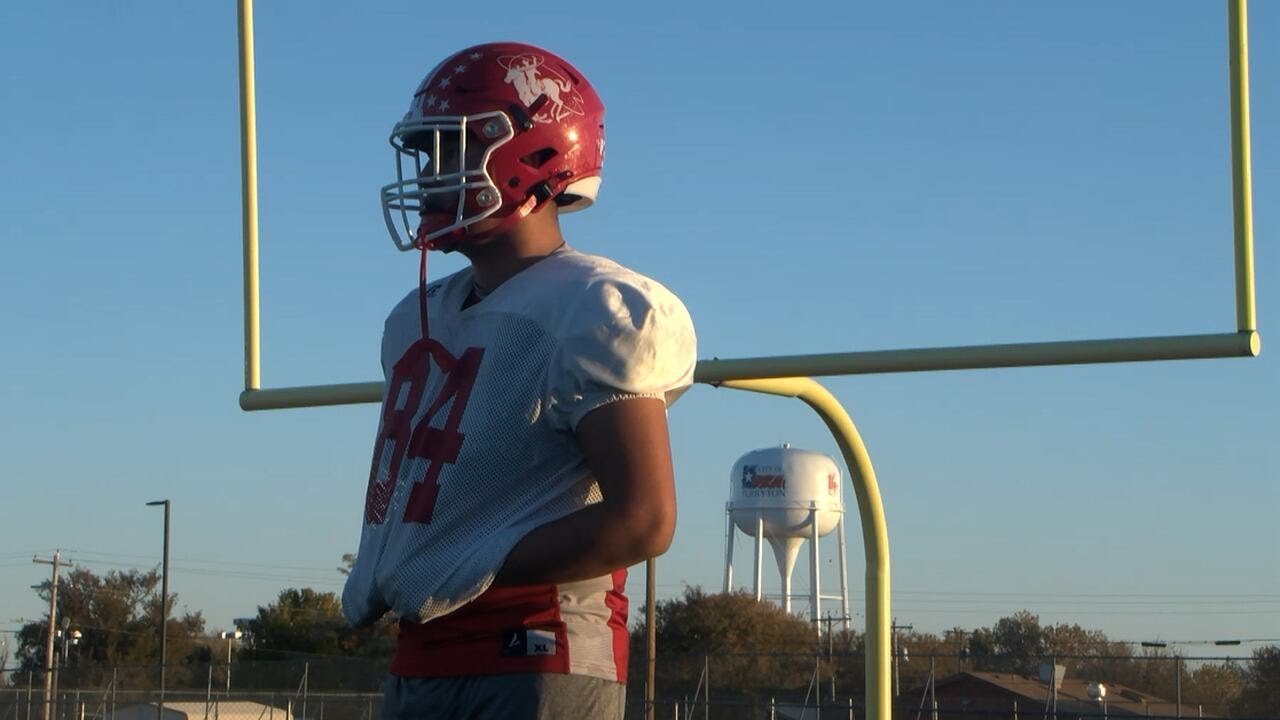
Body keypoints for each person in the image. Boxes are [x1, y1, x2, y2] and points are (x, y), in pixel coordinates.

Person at [341, 41, 698, 719]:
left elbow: (643, 519)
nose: (432, 174)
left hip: (537, 651)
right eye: (428, 154)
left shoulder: (593, 306)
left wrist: (470, 561)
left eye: (452, 149)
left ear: (534, 154)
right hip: (422, 655)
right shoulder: (416, 318)